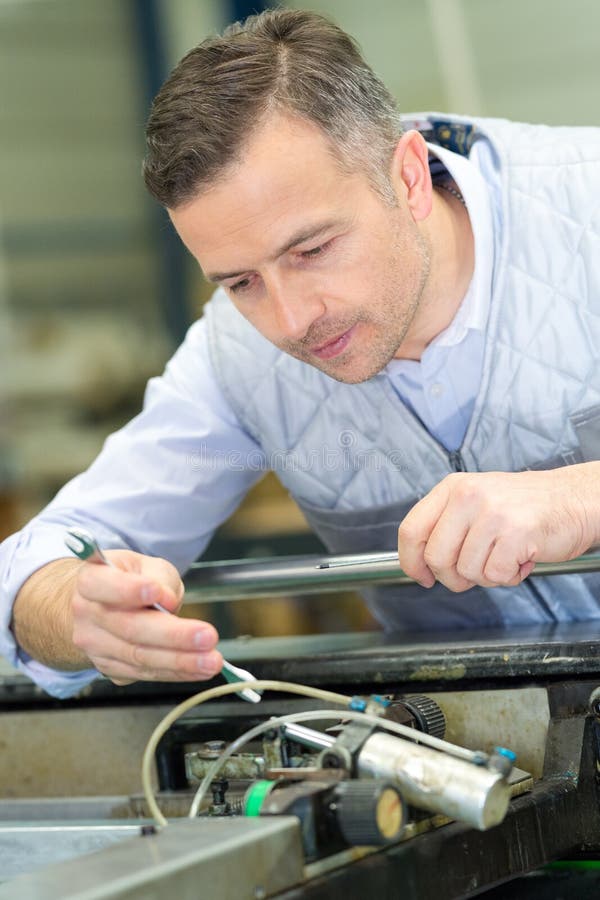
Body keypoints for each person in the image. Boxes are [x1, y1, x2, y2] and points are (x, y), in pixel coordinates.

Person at [1, 9, 600, 699]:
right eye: (240, 282)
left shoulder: (581, 209)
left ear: (407, 177)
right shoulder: (238, 357)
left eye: (311, 250)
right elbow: (48, 557)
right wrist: (75, 613)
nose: (291, 321)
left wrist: (579, 496)